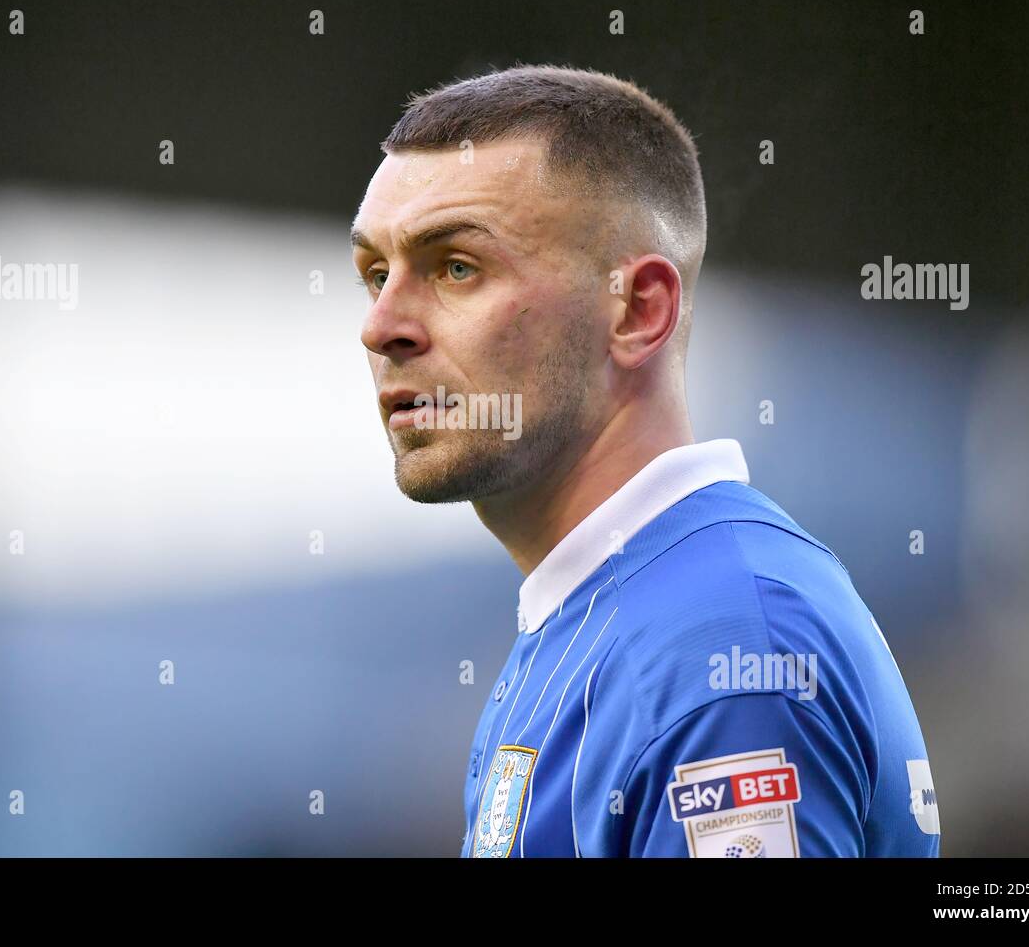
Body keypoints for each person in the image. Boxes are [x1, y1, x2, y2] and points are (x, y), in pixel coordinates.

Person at [350, 64, 940, 857]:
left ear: (638, 311)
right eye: (376, 275)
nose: (381, 326)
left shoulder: (726, 648)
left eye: (457, 267)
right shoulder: (603, 617)